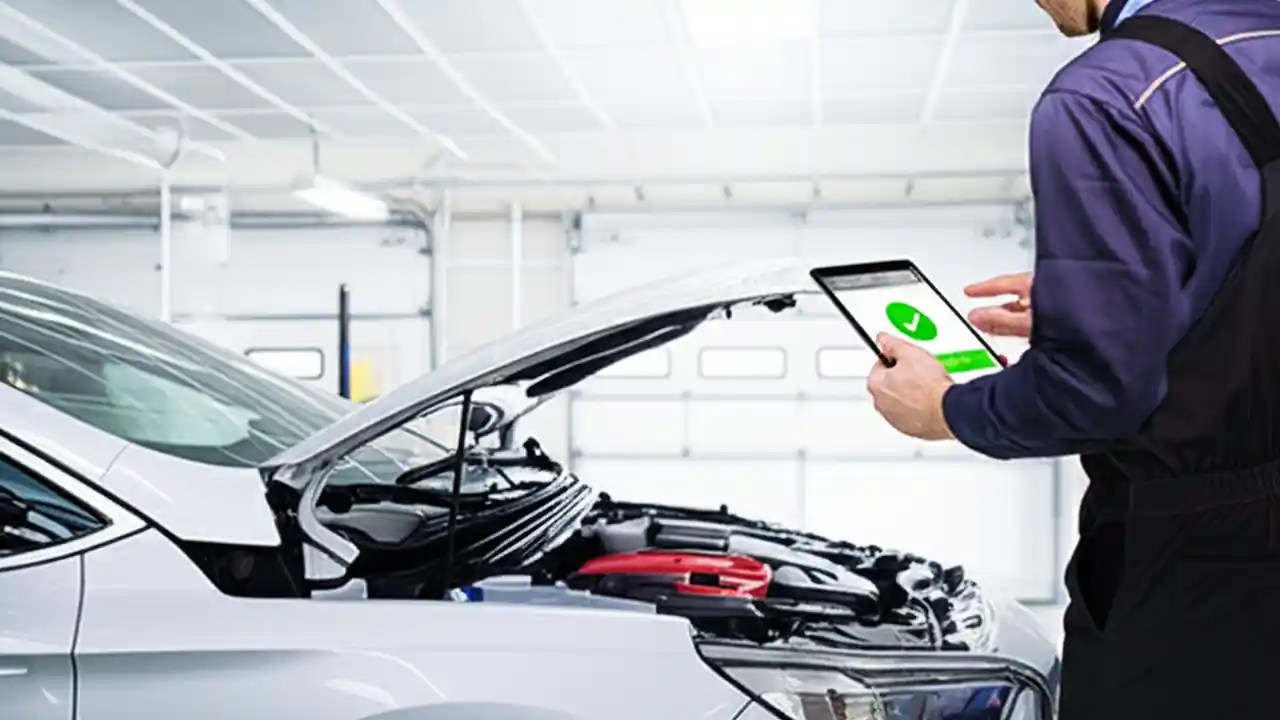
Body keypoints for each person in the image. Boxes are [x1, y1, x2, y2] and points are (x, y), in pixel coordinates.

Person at [863, 0, 1280, 717]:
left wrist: (945, 409)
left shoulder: (1105, 93)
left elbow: (1093, 394)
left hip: (1203, 569)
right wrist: (1117, 297)